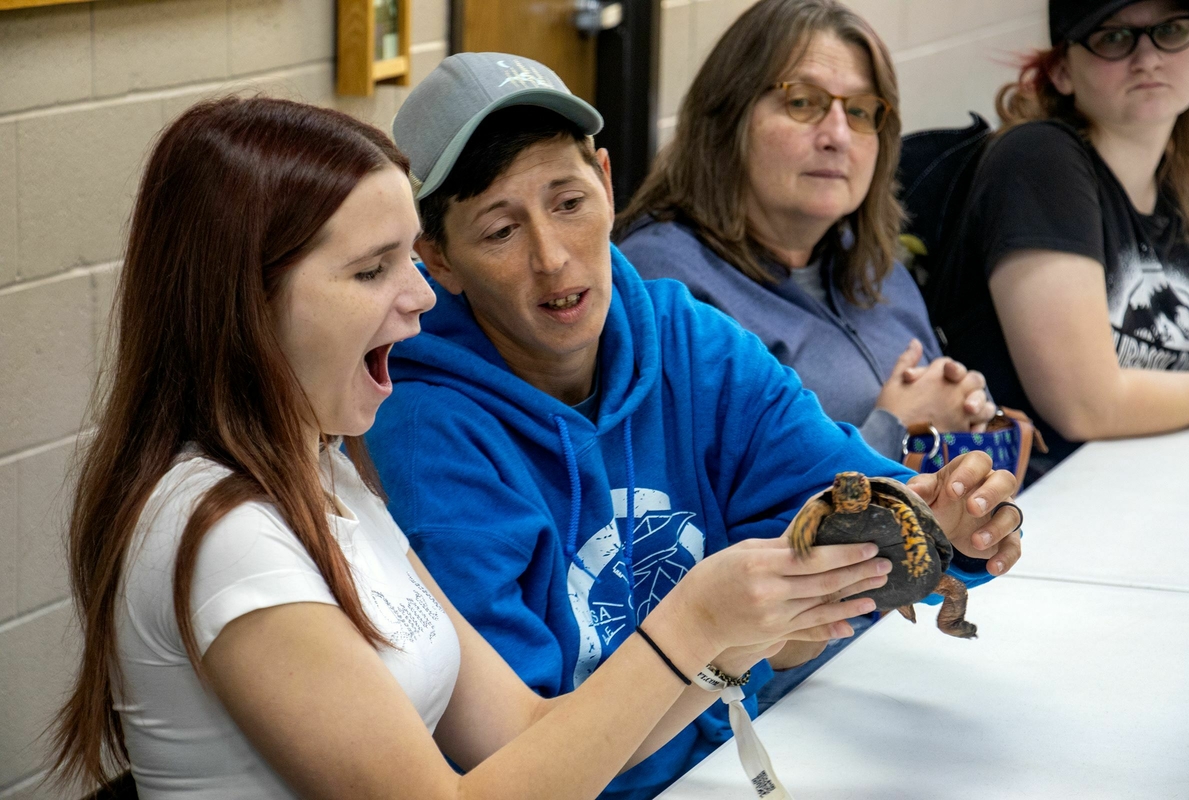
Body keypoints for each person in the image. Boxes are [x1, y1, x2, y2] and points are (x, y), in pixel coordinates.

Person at [48, 96, 902, 799]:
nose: (422, 297)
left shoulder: (323, 472)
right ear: (250, 302)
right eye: (372, 270)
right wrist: (697, 617)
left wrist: (740, 638)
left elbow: (527, 740)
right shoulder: (228, 537)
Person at [367, 52, 1023, 800]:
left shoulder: (688, 341)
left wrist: (946, 524)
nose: (552, 259)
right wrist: (744, 658)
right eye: (499, 231)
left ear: (609, 183)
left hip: (750, 758)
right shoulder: (426, 436)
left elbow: (844, 506)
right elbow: (529, 758)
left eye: (568, 202)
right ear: (436, 259)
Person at [615, 0, 996, 466]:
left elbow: (938, 413)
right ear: (727, 120)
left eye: (859, 111)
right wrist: (896, 434)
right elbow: (698, 515)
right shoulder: (663, 283)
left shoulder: (873, 262)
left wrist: (968, 408)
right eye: (802, 102)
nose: (836, 134)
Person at [929, 0, 1189, 479]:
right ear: (1060, 72)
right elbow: (1085, 406)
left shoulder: (1180, 180)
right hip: (1029, 510)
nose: (1149, 58)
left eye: (1172, 30)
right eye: (1113, 37)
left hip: (1142, 478)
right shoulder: (1039, 159)